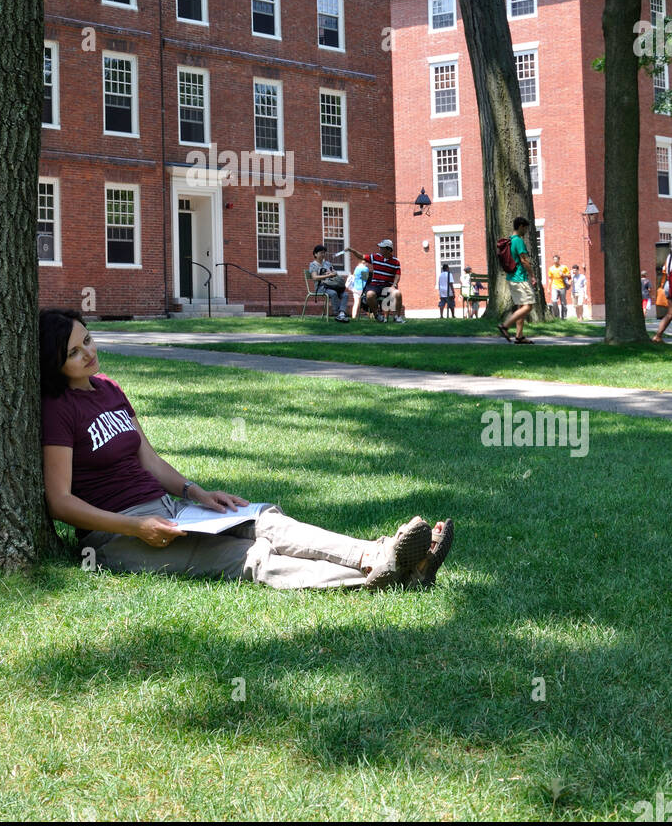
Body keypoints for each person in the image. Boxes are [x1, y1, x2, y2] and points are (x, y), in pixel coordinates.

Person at [40, 309, 455, 590]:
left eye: (88, 341)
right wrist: (135, 528)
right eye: (73, 353)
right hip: (116, 534)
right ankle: (379, 576)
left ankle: (378, 554)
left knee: (264, 520)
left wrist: (196, 493)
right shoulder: (58, 410)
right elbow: (59, 502)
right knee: (247, 556)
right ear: (53, 362)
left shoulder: (109, 388)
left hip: (168, 511)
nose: (88, 354)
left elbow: (147, 459)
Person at [344, 238, 405, 323]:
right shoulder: (375, 257)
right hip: (375, 286)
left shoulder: (396, 262)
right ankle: (377, 315)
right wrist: (352, 250)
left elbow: (397, 275)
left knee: (398, 293)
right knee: (369, 294)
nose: (380, 249)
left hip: (388, 287)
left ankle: (397, 317)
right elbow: (362, 256)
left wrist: (394, 284)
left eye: (382, 248)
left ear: (388, 249)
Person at [498, 216, 537, 344]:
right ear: (521, 226)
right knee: (528, 306)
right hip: (519, 278)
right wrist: (532, 276)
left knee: (521, 306)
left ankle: (519, 337)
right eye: (525, 228)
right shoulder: (518, 241)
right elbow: (524, 260)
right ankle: (505, 326)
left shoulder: (510, 240)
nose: (526, 231)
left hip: (512, 278)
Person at [307, 244, 349, 322]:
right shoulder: (313, 265)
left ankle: (342, 313)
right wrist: (328, 275)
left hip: (332, 286)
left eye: (324, 253)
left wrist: (333, 273)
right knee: (333, 293)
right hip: (321, 287)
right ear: (315, 254)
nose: (323, 254)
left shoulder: (327, 264)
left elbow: (334, 273)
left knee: (345, 294)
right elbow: (314, 277)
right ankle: (337, 314)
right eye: (321, 253)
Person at [653, 251, 672, 345]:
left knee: (670, 314)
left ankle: (658, 336)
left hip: (668, 285)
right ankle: (657, 336)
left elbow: (665, 271)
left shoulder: (669, 257)